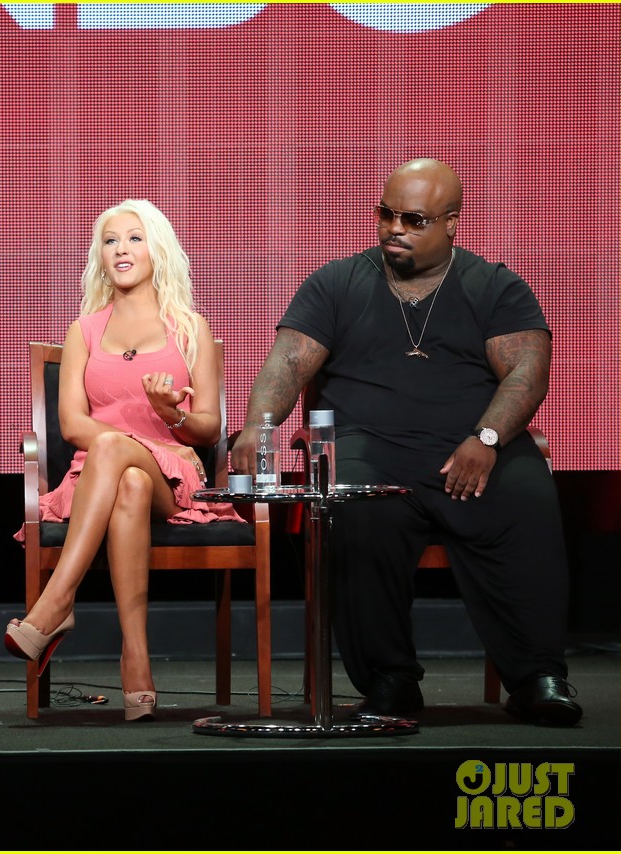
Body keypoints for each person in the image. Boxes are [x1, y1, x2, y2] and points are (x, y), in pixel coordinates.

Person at [232, 158, 581, 726]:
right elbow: (288, 362)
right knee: (354, 505)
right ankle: (389, 679)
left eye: (414, 219)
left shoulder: (495, 287)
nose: (395, 228)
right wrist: (259, 426)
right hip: (371, 446)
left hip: (472, 447)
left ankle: (538, 677)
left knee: (527, 496)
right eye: (386, 214)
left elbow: (527, 372)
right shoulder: (336, 283)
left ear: (451, 223)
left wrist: (487, 437)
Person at [6, 199, 242, 721]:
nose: (121, 249)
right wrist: (137, 444)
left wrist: (170, 416)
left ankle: (57, 601)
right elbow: (72, 424)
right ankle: (136, 661)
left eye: (134, 238)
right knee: (127, 479)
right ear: (100, 256)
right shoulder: (84, 330)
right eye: (110, 241)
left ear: (157, 250)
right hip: (96, 478)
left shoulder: (190, 329)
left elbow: (208, 426)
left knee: (120, 456)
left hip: (174, 478)